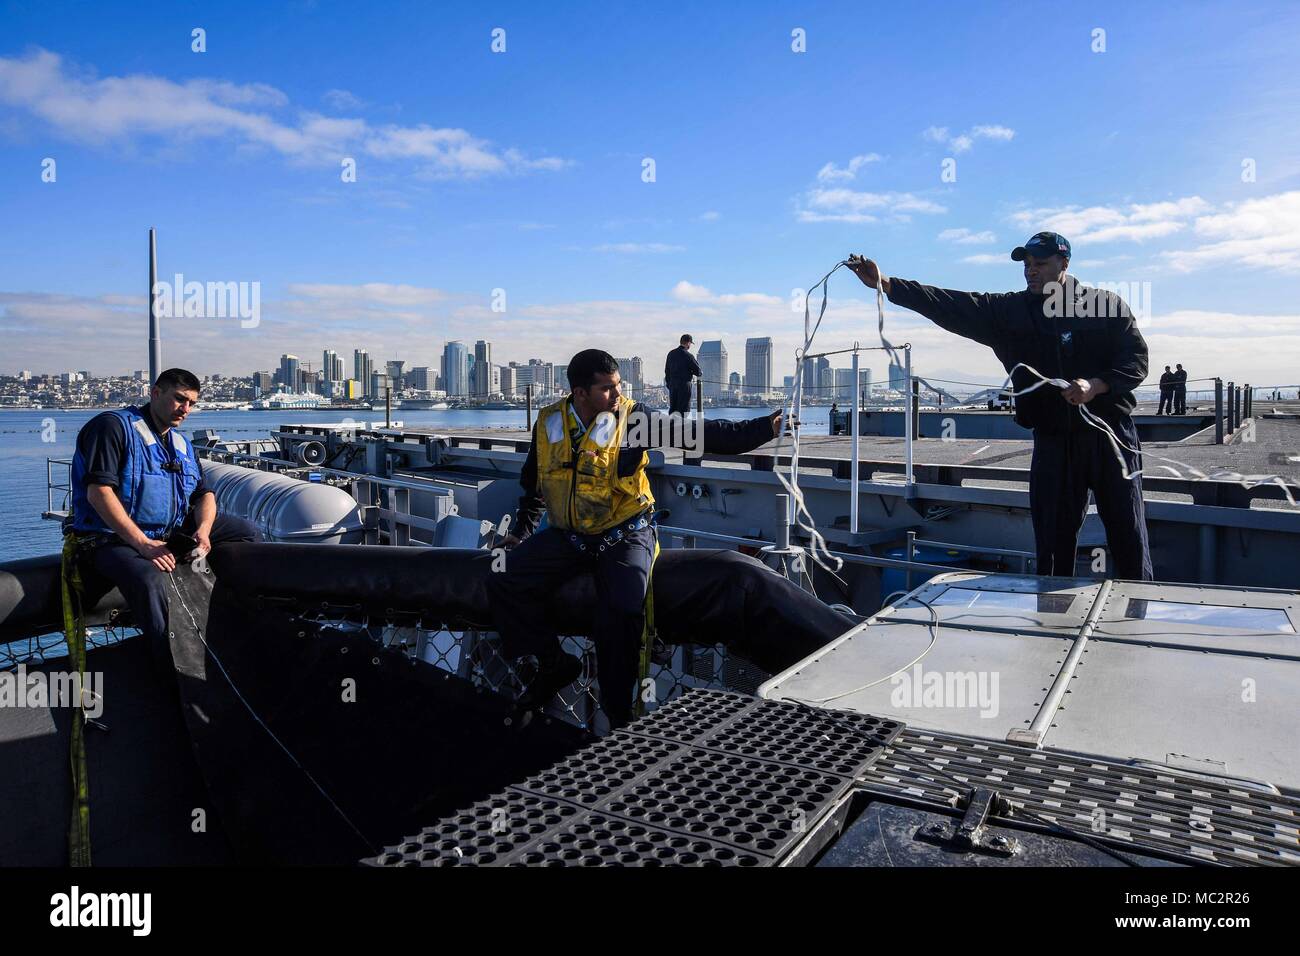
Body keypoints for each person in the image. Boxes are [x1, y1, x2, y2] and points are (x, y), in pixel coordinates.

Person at [488, 349, 782, 725]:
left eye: (618, 386)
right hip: (570, 535)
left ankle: (618, 713)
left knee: (622, 612)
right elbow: (534, 484)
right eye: (607, 389)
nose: (617, 394)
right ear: (580, 393)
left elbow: (704, 434)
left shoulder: (634, 421)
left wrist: (765, 427)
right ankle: (554, 664)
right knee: (501, 576)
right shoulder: (549, 424)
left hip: (624, 533)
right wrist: (520, 533)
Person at [847, 232, 1153, 580]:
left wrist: (1094, 386)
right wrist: (887, 284)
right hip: (1054, 441)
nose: (1030, 271)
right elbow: (950, 304)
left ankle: (1139, 604)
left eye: (1040, 264)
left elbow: (1136, 360)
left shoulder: (1104, 305)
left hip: (1110, 437)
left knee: (1128, 532)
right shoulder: (1009, 312)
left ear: (1064, 263)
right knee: (1053, 544)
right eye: (1027, 265)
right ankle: (1052, 608)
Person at [65, 368, 259, 674]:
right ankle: (174, 669)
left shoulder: (181, 444)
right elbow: (98, 493)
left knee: (245, 532)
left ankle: (234, 619)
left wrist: (204, 531)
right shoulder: (112, 427)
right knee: (149, 580)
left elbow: (205, 495)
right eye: (179, 399)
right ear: (156, 393)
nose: (185, 409)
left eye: (192, 403)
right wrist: (144, 545)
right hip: (110, 539)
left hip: (167, 532)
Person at [664, 334, 702, 416]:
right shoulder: (688, 356)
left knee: (673, 409)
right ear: (688, 343)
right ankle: (681, 424)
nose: (690, 346)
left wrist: (669, 385)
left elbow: (667, 371)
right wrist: (690, 371)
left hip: (673, 386)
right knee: (683, 411)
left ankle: (672, 424)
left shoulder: (671, 354)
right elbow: (699, 372)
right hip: (684, 386)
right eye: (690, 344)